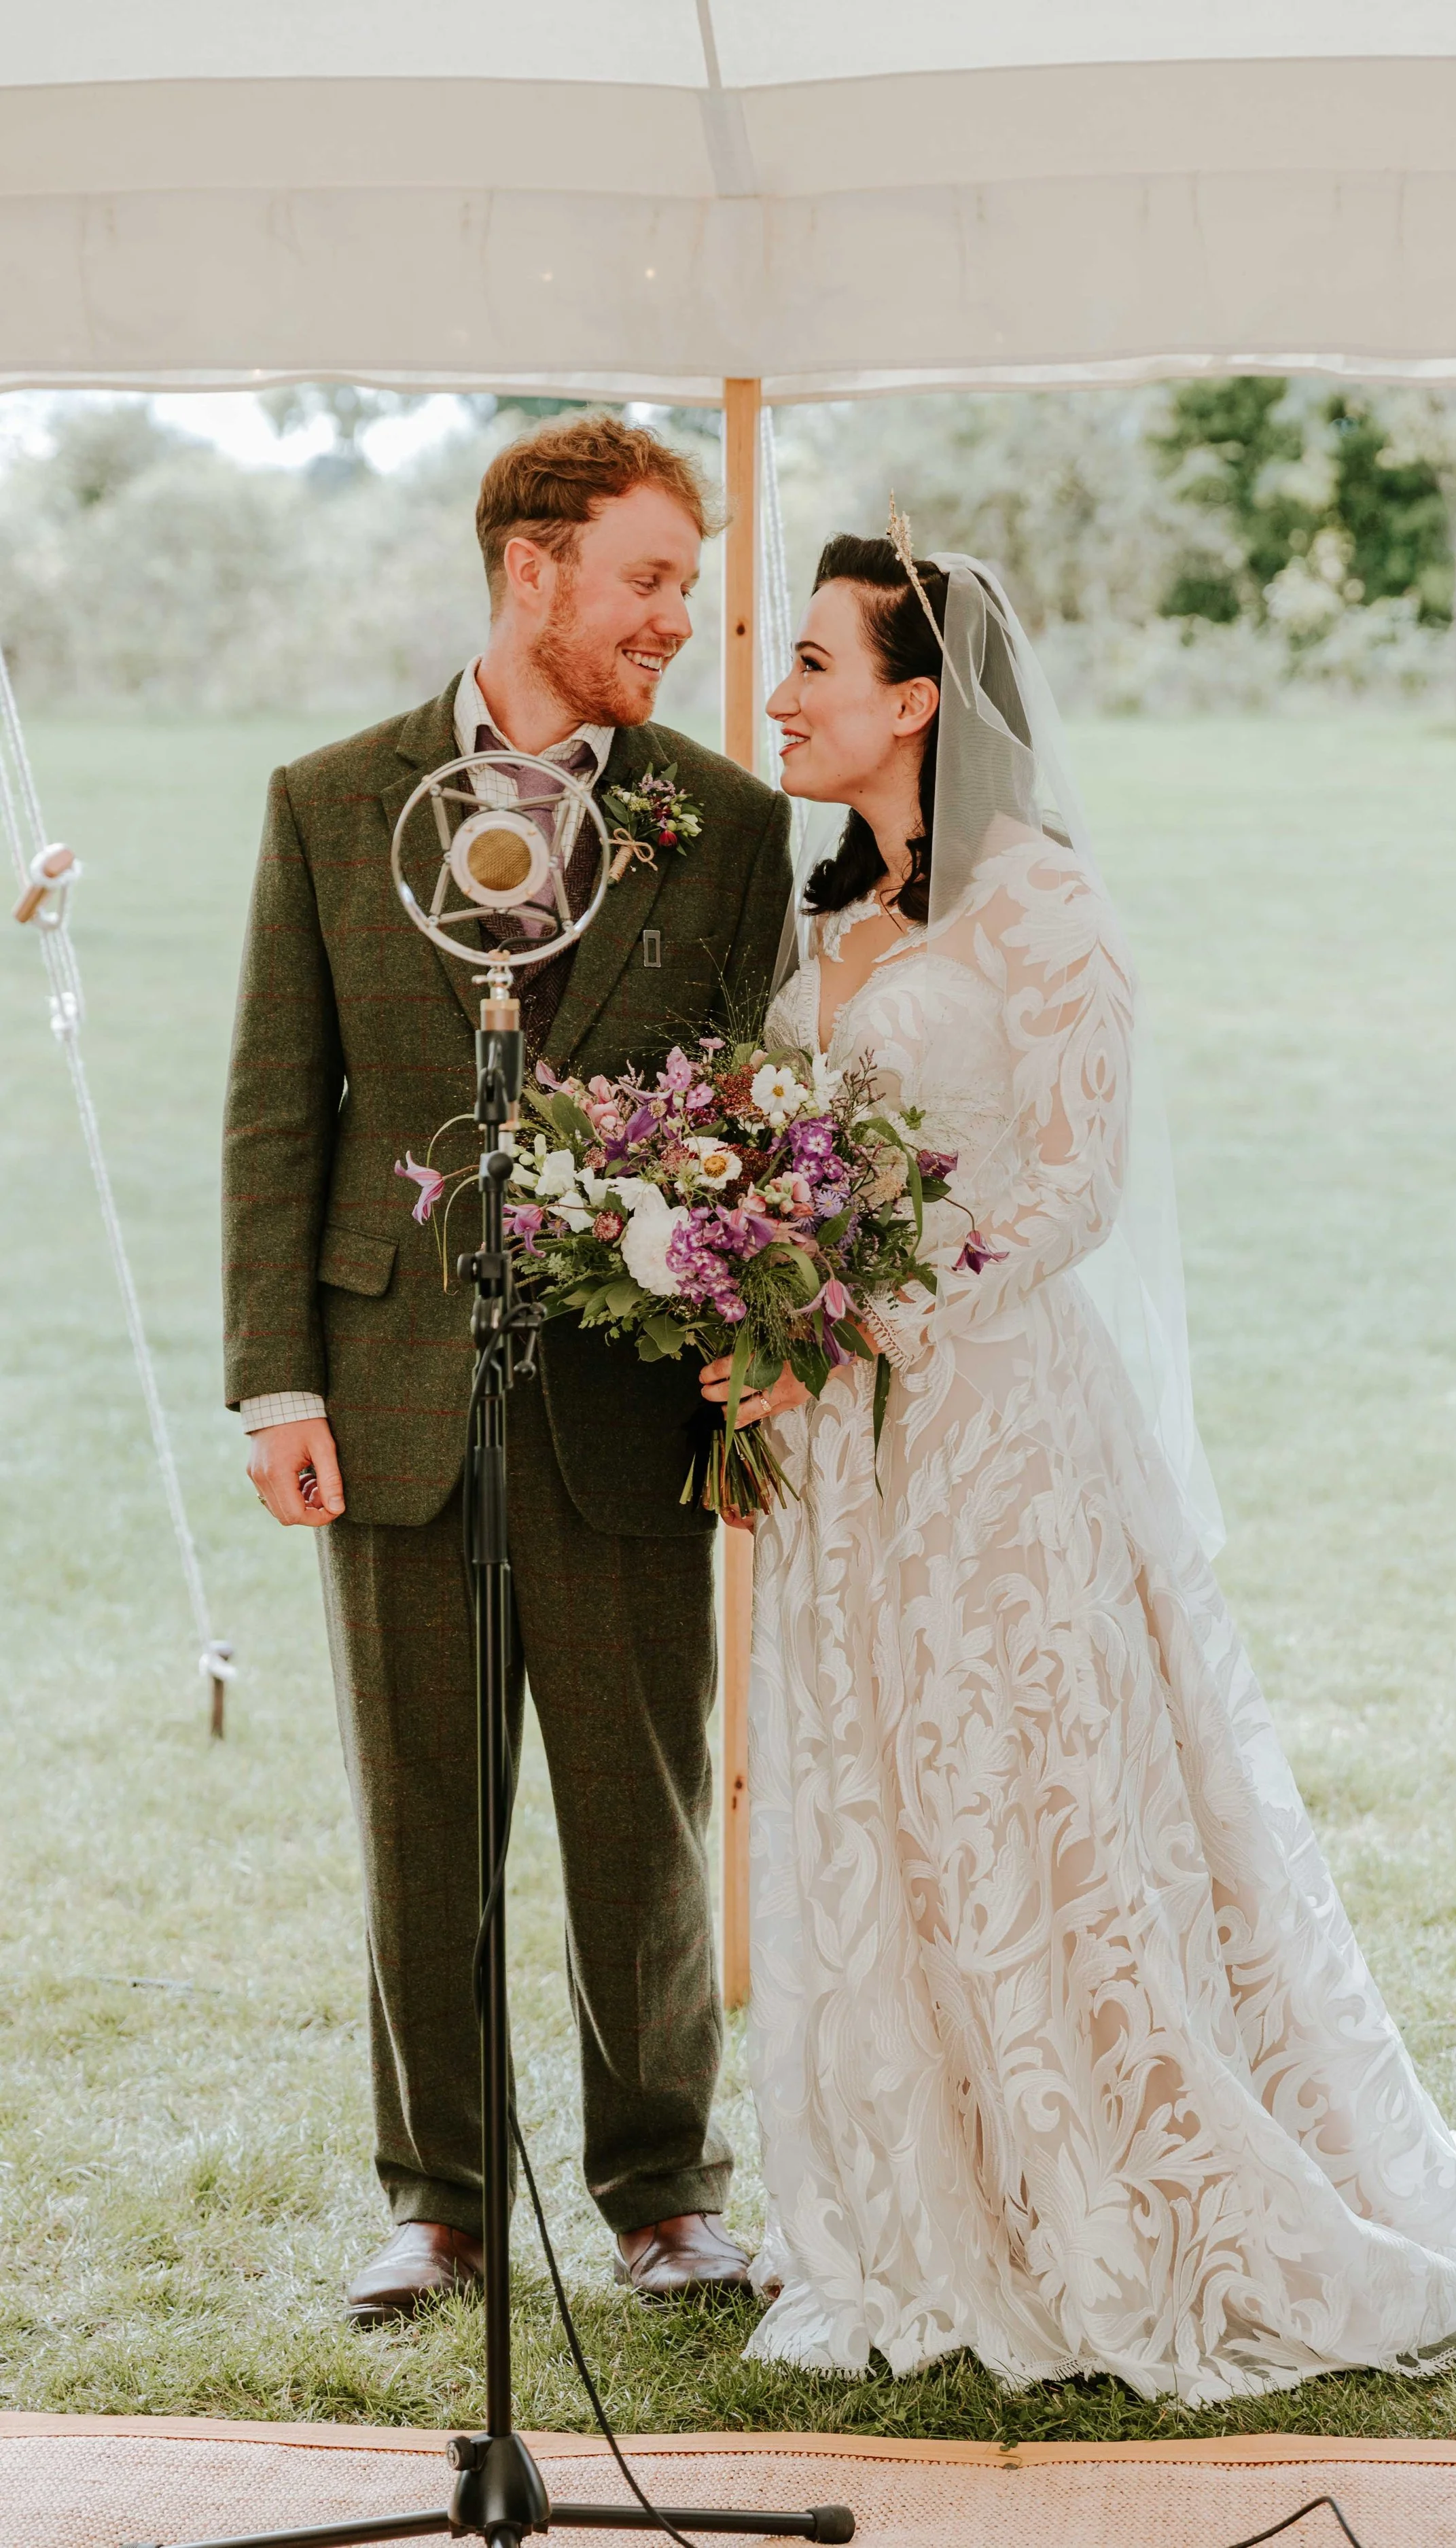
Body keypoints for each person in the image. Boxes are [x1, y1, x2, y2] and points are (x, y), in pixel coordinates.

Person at [700, 529, 1456, 2399]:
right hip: (841, 1472)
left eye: (807, 661)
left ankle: (1117, 2178)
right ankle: (941, 2193)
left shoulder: (1039, 901)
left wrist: (861, 1312)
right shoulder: (822, 916)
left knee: (1037, 1797)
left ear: (914, 696)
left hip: (991, 1433)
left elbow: (1069, 1191)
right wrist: (758, 1297)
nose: (774, 696)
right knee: (890, 1802)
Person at [224, 416, 792, 2322]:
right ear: (529, 570)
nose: (677, 624)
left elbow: (750, 1114)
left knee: (643, 1822)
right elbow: (271, 1111)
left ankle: (660, 2190)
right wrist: (274, 1382)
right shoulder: (324, 801)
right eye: (646, 581)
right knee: (419, 1817)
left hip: (628, 1408)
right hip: (384, 1392)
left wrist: (749, 1349)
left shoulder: (723, 820)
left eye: (690, 592)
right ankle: (442, 2198)